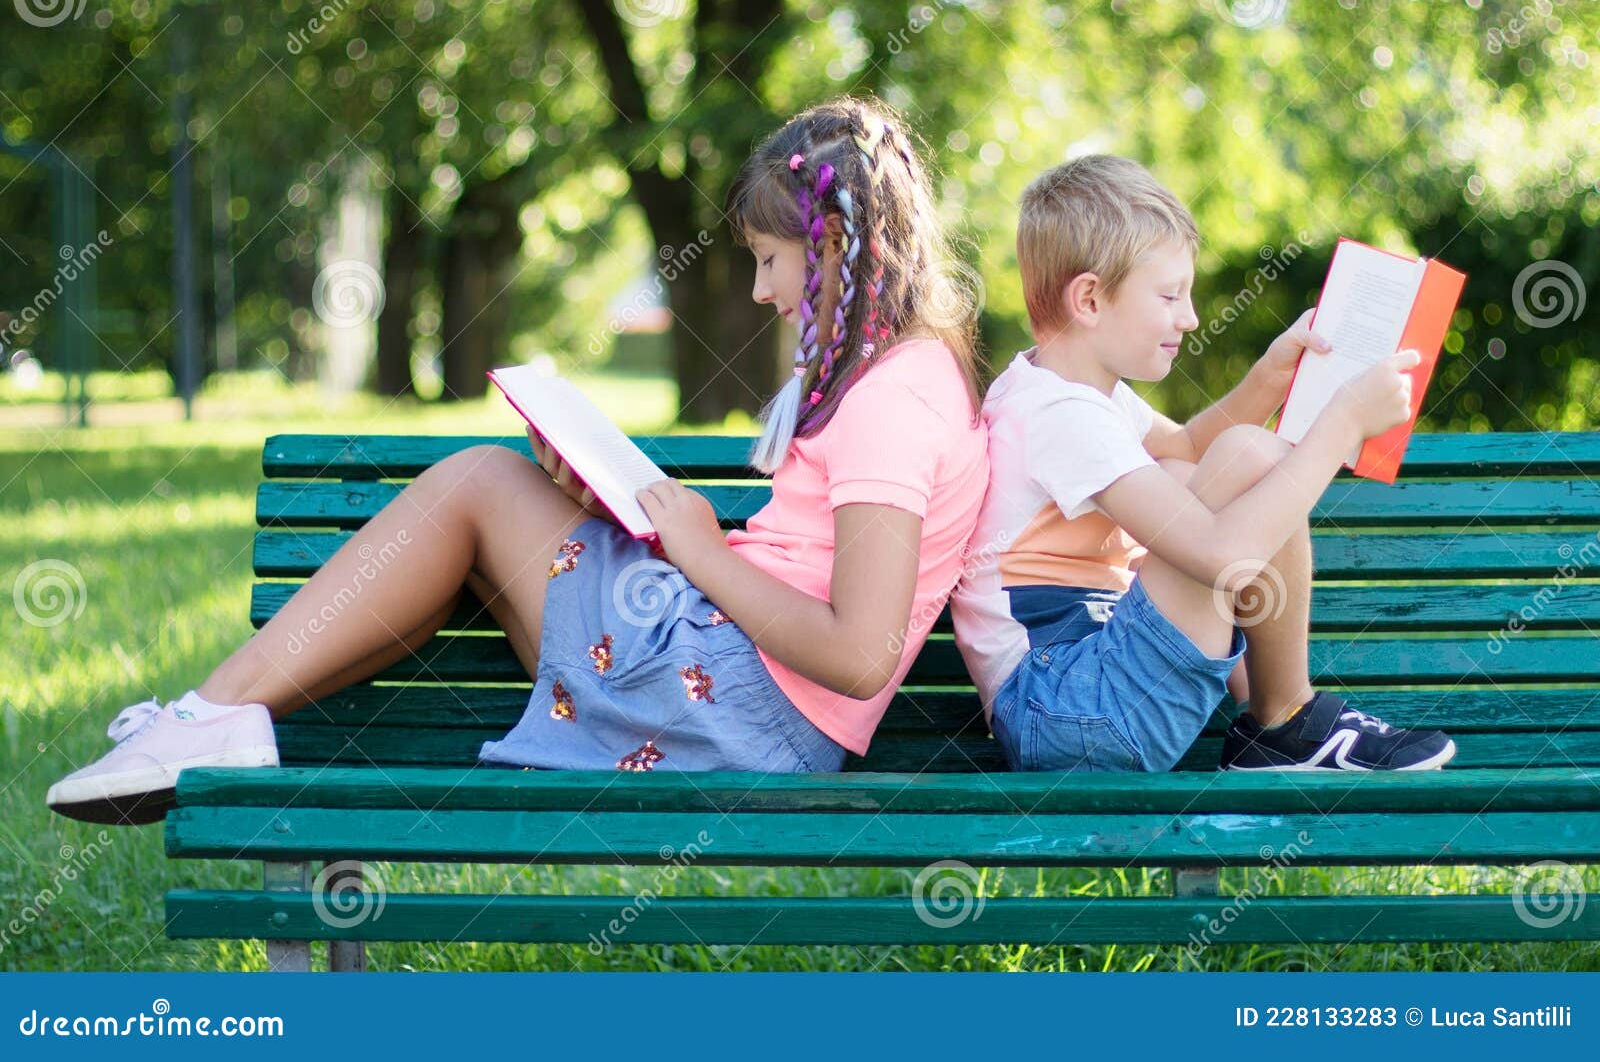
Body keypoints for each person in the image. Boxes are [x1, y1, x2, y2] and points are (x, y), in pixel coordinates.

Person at [47, 96, 989, 824]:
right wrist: (636, 518)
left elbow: (860, 655)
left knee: (480, 483)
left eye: (773, 260)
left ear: (833, 250)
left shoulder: (891, 402)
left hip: (738, 711)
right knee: (497, 511)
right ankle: (225, 723)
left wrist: (699, 552)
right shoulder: (906, 375)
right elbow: (823, 568)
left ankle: (210, 713)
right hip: (733, 695)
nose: (759, 289)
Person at [950, 154, 1455, 773]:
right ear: (1088, 299)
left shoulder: (1062, 387)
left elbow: (1185, 449)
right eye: (1169, 295)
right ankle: (1286, 717)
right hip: (1069, 709)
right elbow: (1219, 551)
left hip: (1079, 693)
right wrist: (1342, 421)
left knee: (1222, 461)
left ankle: (1278, 723)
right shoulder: (1061, 415)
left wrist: (1266, 382)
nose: (1188, 318)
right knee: (1254, 460)